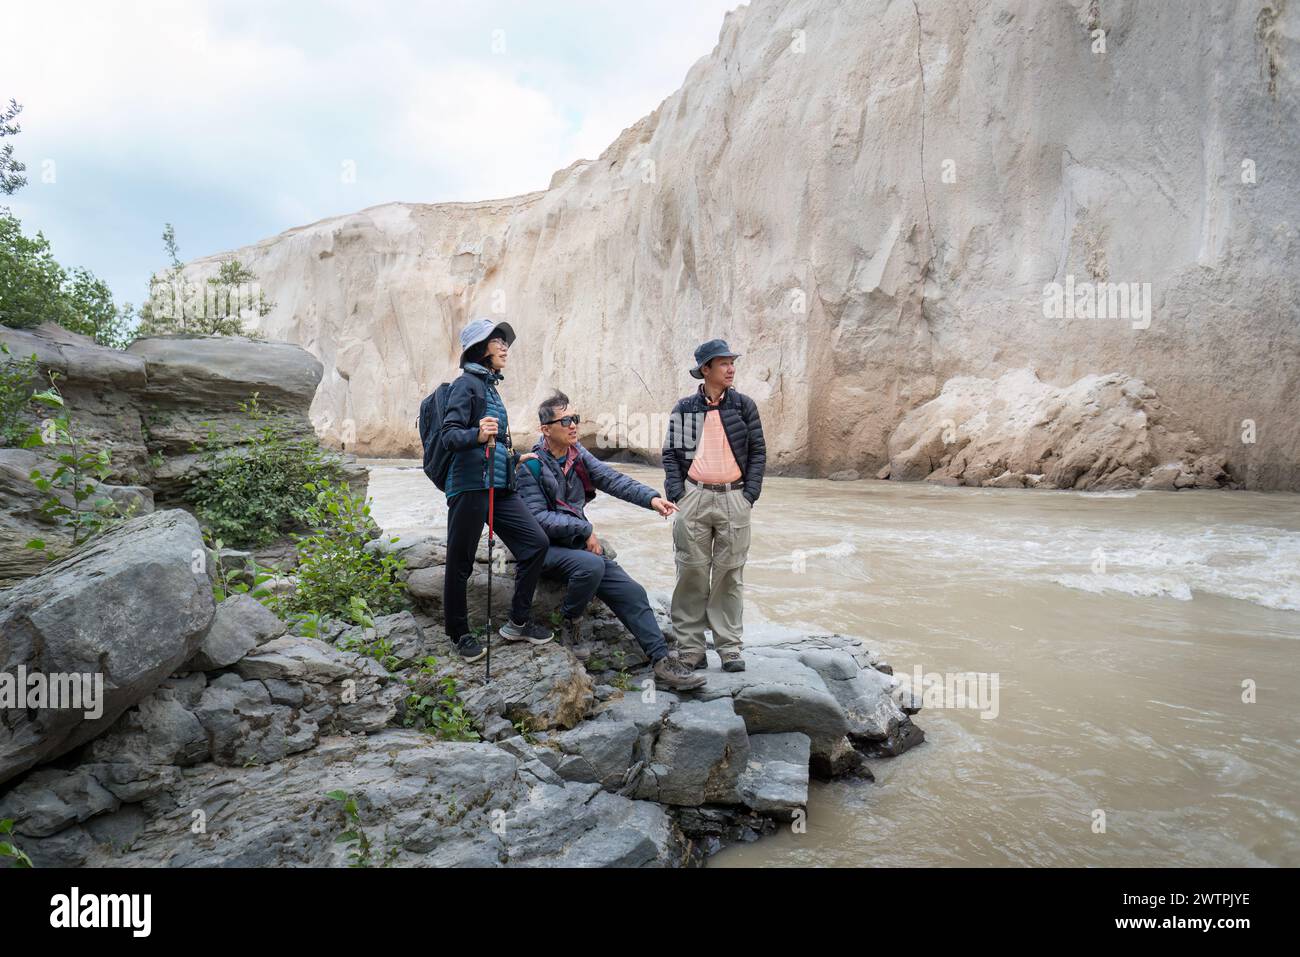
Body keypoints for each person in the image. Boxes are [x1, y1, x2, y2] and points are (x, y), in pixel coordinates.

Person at [516, 390, 707, 692]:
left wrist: (652, 498)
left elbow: (612, 479)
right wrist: (584, 529)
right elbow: (538, 520)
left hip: (573, 544)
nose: (573, 425)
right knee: (592, 564)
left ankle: (662, 663)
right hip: (544, 550)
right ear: (546, 429)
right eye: (565, 420)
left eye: (575, 419)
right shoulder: (531, 466)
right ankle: (570, 622)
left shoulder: (577, 455)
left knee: (632, 591)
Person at [439, 317, 554, 661]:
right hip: (471, 486)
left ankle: (518, 621)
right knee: (460, 562)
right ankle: (459, 634)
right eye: (497, 341)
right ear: (480, 348)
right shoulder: (466, 386)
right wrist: (475, 433)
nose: (505, 347)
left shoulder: (489, 388)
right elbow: (450, 436)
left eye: (505, 341)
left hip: (499, 486)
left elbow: (494, 443)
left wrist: (514, 458)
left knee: (536, 543)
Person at [662, 339, 766, 672]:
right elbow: (670, 454)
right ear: (706, 369)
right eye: (723, 363)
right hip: (693, 496)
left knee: (730, 574)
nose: (731, 368)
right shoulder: (685, 408)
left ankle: (729, 648)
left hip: (735, 497)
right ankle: (691, 648)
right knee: (690, 570)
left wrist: (749, 494)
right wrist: (678, 493)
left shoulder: (744, 406)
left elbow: (759, 453)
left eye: (732, 362)